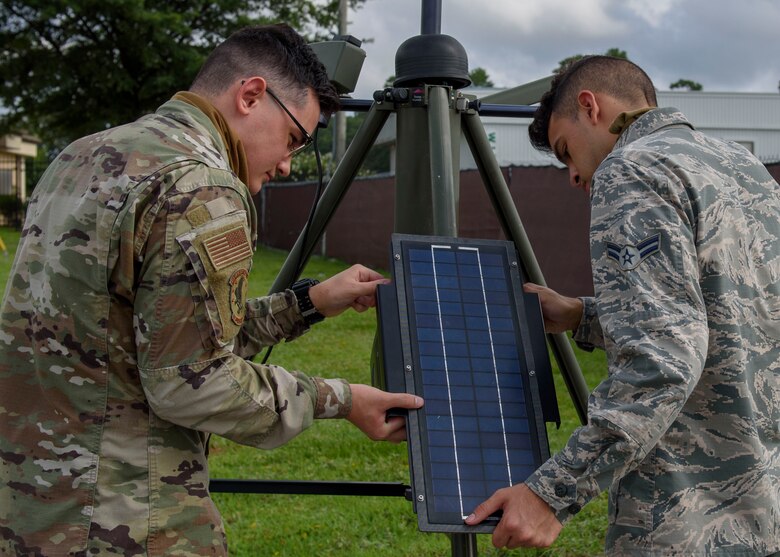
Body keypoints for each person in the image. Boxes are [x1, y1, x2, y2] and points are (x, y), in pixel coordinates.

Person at [0, 24, 422, 556]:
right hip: (124, 521)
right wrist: (339, 399)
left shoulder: (81, 156)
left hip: (34, 503)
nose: (289, 162)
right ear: (251, 96)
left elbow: (149, 336)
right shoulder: (200, 185)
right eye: (294, 138)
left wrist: (308, 304)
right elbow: (193, 382)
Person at [465, 55, 780, 556]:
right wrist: (583, 316)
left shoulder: (630, 169)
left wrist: (551, 495)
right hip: (765, 507)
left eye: (566, 151)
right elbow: (735, 317)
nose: (572, 176)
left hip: (684, 518)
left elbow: (662, 362)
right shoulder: (743, 167)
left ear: (589, 106)